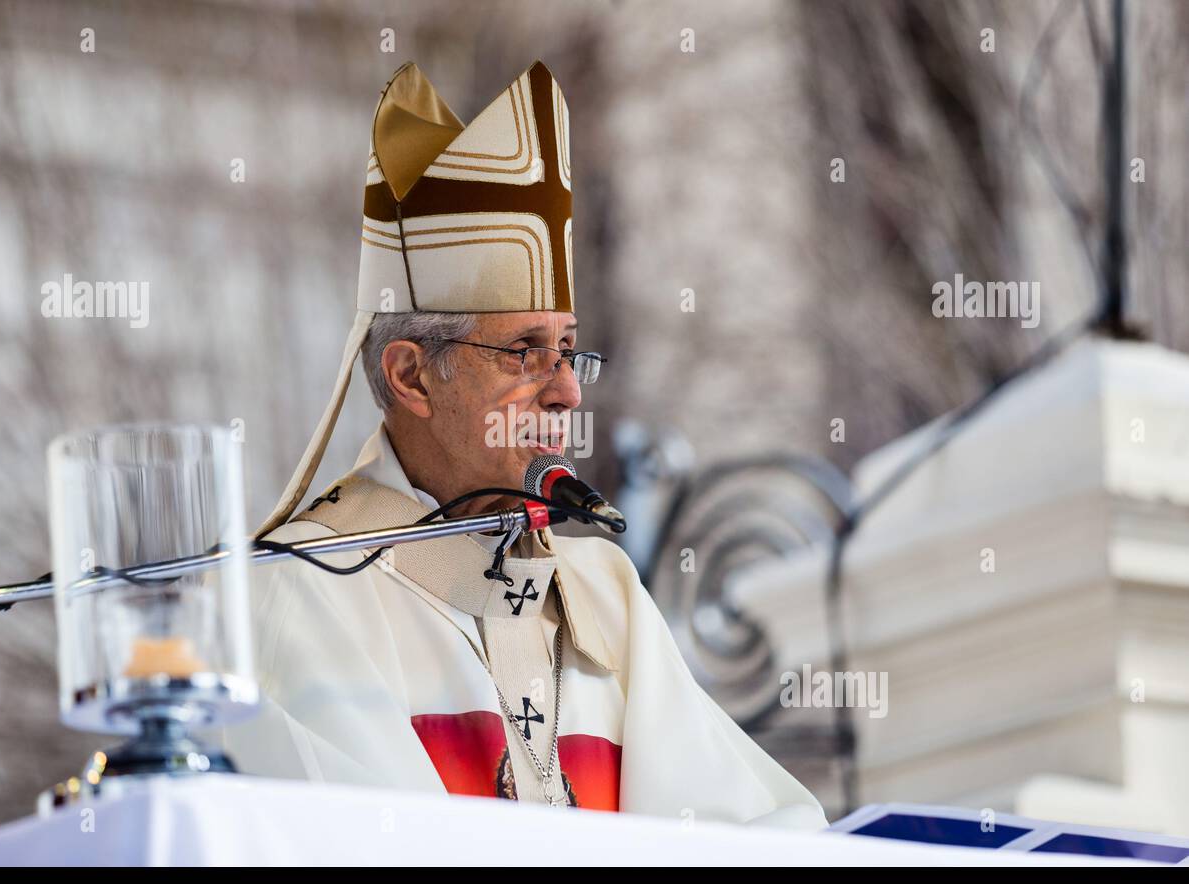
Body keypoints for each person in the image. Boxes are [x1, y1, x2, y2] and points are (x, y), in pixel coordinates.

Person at [224, 59, 827, 827]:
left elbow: (762, 837)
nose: (568, 390)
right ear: (412, 377)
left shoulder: (606, 593)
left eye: (568, 348)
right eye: (524, 351)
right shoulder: (306, 589)